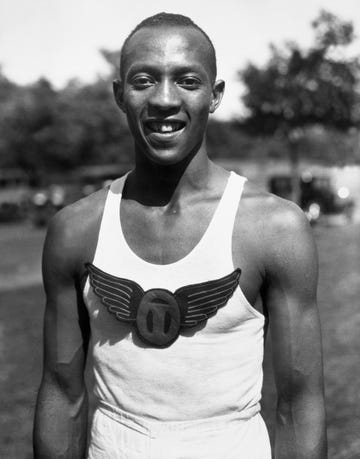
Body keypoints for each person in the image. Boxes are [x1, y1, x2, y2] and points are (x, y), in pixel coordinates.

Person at [33, 12, 327, 459]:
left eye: (187, 81)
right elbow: (61, 393)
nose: (164, 99)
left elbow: (299, 404)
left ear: (216, 95)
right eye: (144, 80)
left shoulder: (275, 229)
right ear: (119, 95)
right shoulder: (76, 230)